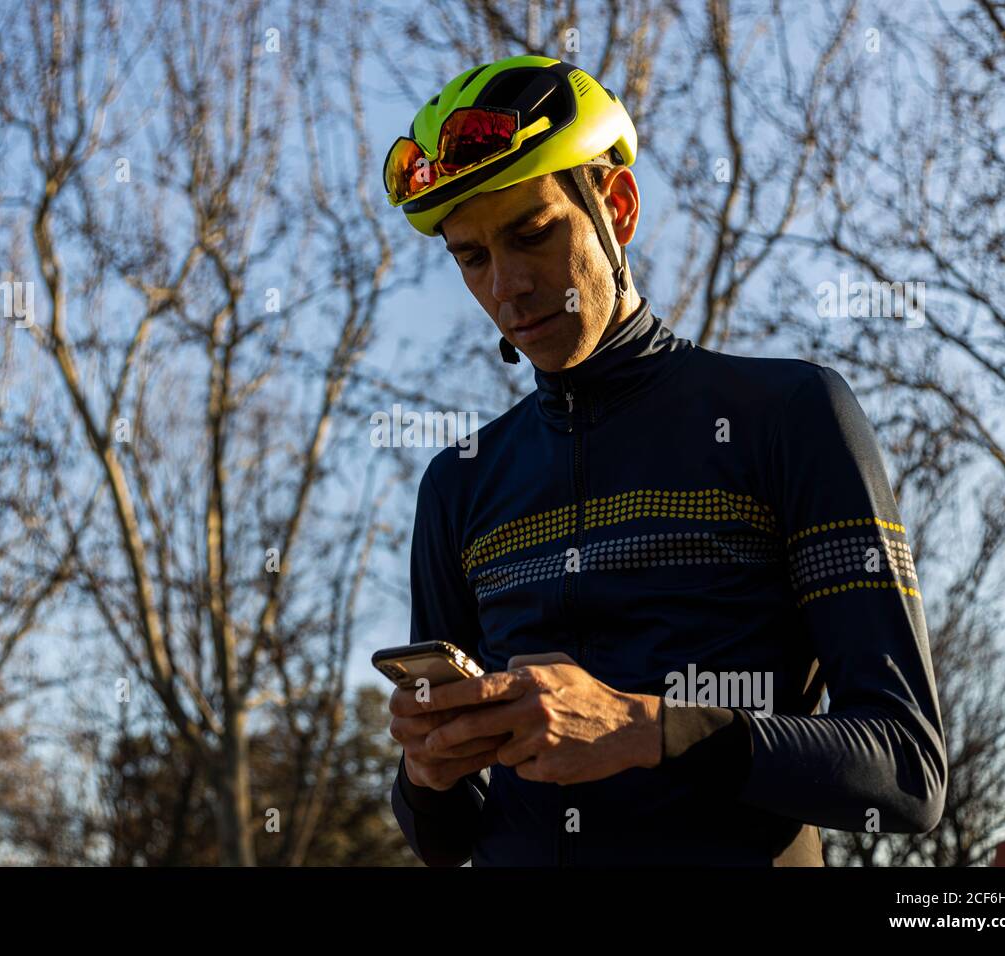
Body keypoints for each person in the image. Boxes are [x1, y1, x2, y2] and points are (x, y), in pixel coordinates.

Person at [383, 55, 947, 865]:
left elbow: (908, 769)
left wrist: (649, 729)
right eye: (471, 257)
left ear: (616, 207)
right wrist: (424, 772)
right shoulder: (460, 482)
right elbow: (445, 840)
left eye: (533, 234)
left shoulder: (790, 414)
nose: (506, 286)